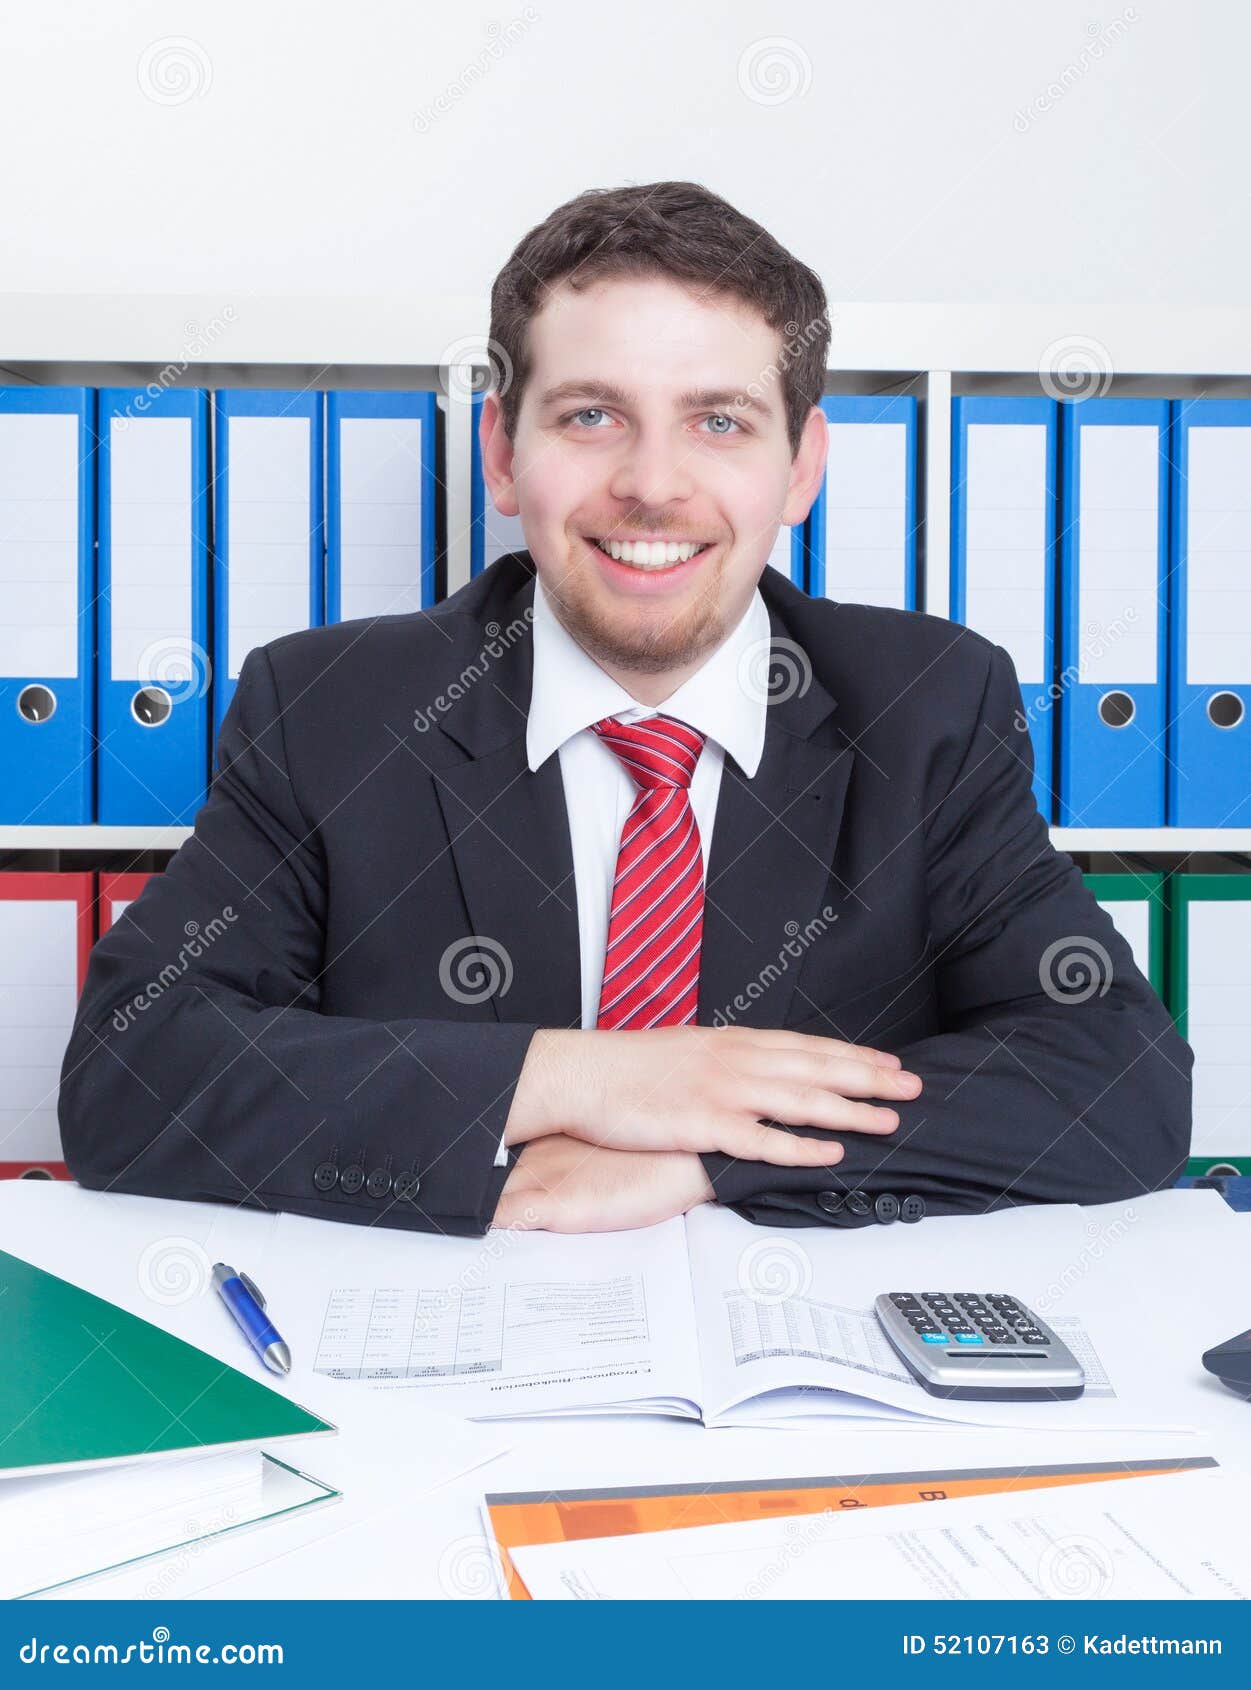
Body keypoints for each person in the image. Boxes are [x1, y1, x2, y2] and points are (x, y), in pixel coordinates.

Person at [59, 180, 1192, 1238]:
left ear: (800, 466)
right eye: (593, 415)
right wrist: (581, 1077)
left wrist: (711, 1153)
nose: (653, 483)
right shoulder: (331, 710)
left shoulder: (926, 707)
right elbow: (136, 1072)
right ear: (504, 454)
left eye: (719, 421)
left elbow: (1118, 1079)